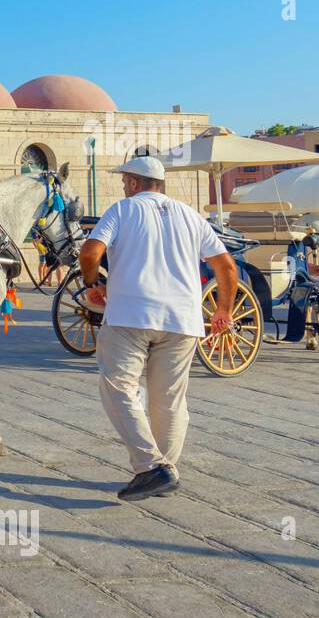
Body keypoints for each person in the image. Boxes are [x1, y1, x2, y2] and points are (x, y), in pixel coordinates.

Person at [77, 155, 238, 501]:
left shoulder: (122, 210)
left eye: (125, 181)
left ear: (134, 184)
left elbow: (90, 252)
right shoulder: (190, 215)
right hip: (183, 320)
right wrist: (222, 310)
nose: (123, 186)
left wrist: (93, 283)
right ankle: (166, 471)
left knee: (118, 386)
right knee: (170, 400)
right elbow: (226, 266)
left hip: (130, 316)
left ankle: (151, 467)